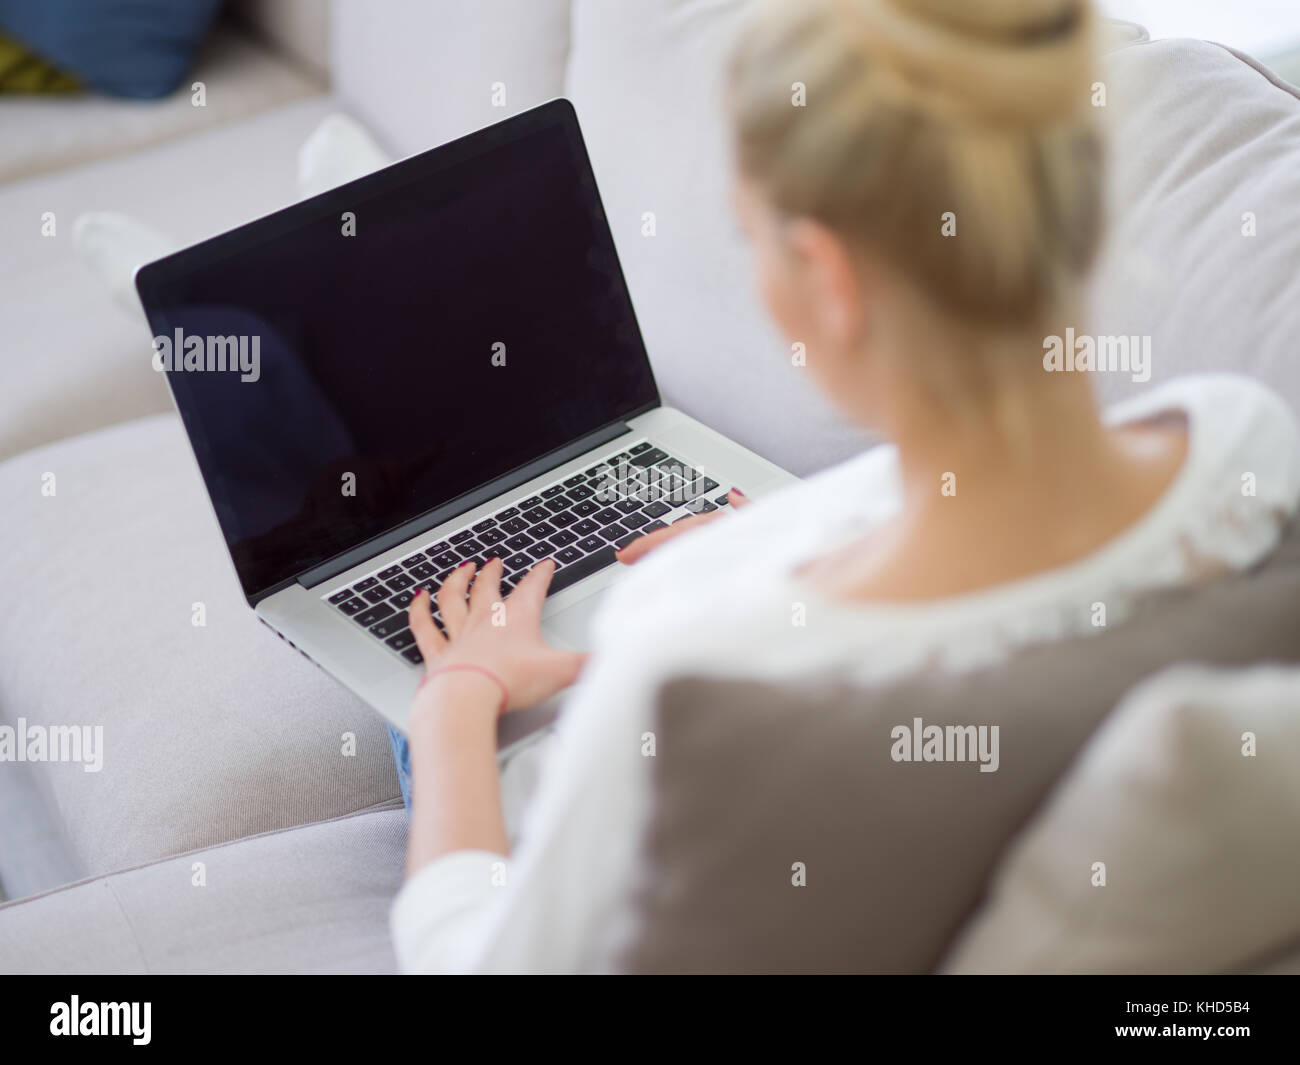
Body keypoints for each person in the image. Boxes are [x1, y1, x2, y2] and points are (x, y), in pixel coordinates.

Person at [386, 0, 1300, 972]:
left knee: (427, 720)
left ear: (829, 277)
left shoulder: (686, 666)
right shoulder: (1241, 445)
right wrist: (777, 553)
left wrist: (455, 699)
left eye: (751, 238)